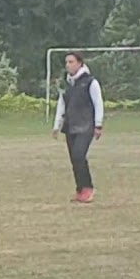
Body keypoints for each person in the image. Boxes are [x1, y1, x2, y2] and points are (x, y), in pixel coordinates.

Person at [52, 52, 104, 203]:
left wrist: (98, 124)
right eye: (66, 62)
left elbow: (98, 103)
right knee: (74, 159)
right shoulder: (67, 84)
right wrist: (57, 125)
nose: (68, 65)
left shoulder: (90, 82)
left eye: (71, 62)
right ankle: (80, 190)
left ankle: (88, 187)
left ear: (80, 63)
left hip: (86, 126)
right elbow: (61, 105)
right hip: (70, 126)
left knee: (79, 155)